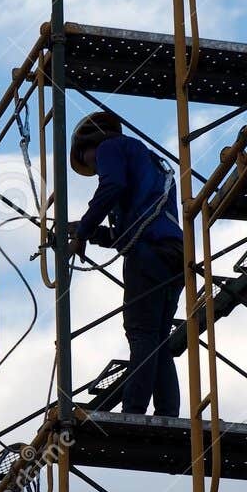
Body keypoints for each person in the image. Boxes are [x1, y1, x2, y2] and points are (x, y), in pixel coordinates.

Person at [67, 111, 182, 416]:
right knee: (157, 336)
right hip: (171, 254)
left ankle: (133, 409)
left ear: (89, 144)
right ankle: (168, 412)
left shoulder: (110, 148)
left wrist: (83, 231)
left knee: (141, 333)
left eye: (87, 159)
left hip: (148, 255)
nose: (94, 166)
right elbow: (126, 234)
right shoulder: (146, 161)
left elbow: (111, 186)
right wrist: (88, 232)